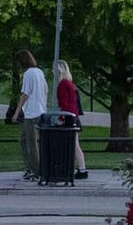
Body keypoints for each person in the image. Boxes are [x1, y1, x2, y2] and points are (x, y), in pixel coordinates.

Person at [12, 48, 47, 180]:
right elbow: (46, 90)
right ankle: (30, 167)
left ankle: (36, 171)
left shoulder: (28, 74)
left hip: (31, 113)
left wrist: (16, 112)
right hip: (41, 111)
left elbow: (25, 94)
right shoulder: (39, 72)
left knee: (31, 144)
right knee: (24, 139)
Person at [53, 59, 88, 180]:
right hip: (73, 117)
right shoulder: (69, 83)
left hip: (68, 118)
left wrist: (61, 118)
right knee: (75, 145)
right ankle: (81, 168)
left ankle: (80, 169)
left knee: (74, 145)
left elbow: (64, 104)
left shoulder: (62, 84)